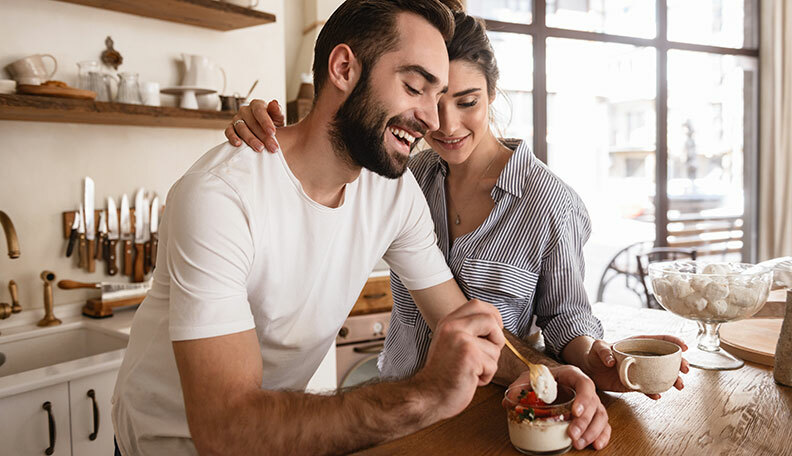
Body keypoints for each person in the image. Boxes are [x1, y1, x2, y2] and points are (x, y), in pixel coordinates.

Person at [227, 7, 690, 452]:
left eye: (466, 101)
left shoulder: (549, 202)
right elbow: (333, 153)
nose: (443, 124)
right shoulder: (406, 177)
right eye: (426, 98)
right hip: (399, 405)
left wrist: (596, 363)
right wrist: (274, 139)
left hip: (499, 413)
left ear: (492, 93)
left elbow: (566, 318)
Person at [112, 2, 509, 455]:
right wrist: (425, 395)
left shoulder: (392, 193)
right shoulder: (220, 196)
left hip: (275, 438)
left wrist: (558, 379)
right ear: (343, 68)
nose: (433, 120)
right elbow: (225, 430)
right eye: (415, 87)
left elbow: (461, 323)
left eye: (435, 96)